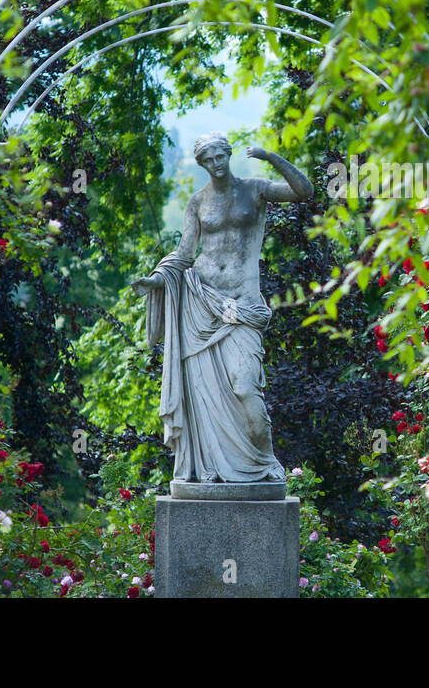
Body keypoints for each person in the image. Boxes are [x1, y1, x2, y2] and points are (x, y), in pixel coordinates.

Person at [131, 133, 312, 482]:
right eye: (208, 160)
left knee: (245, 387)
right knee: (204, 396)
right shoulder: (197, 203)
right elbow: (185, 254)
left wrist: (271, 156)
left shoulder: (254, 189)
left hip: (242, 305)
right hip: (202, 303)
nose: (215, 164)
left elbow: (303, 191)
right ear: (201, 164)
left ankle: (264, 462)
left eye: (219, 157)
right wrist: (156, 281)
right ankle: (211, 467)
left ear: (228, 155)